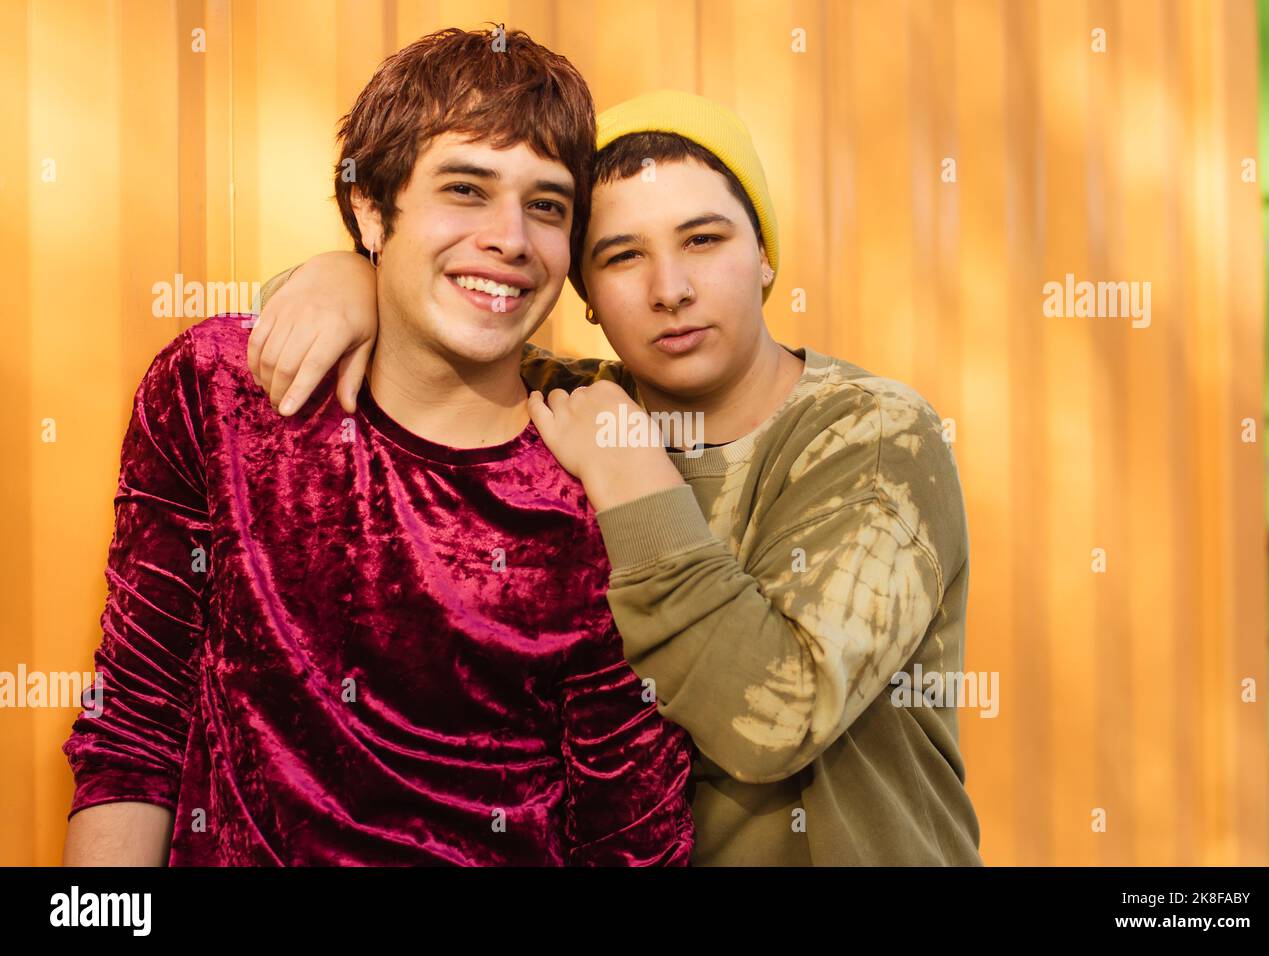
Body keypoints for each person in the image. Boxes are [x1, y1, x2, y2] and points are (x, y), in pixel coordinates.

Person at [250, 88, 982, 866]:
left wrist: (638, 483)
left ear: (765, 255)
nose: (670, 289)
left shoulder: (874, 436)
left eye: (703, 240)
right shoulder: (579, 405)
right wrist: (348, 278)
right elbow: (424, 344)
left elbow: (778, 716)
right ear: (588, 296)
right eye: (622, 255)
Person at [60, 28, 694, 867]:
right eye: (466, 190)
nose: (510, 238)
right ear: (370, 210)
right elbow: (137, 721)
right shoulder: (216, 388)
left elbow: (630, 834)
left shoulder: (607, 476)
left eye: (546, 205)